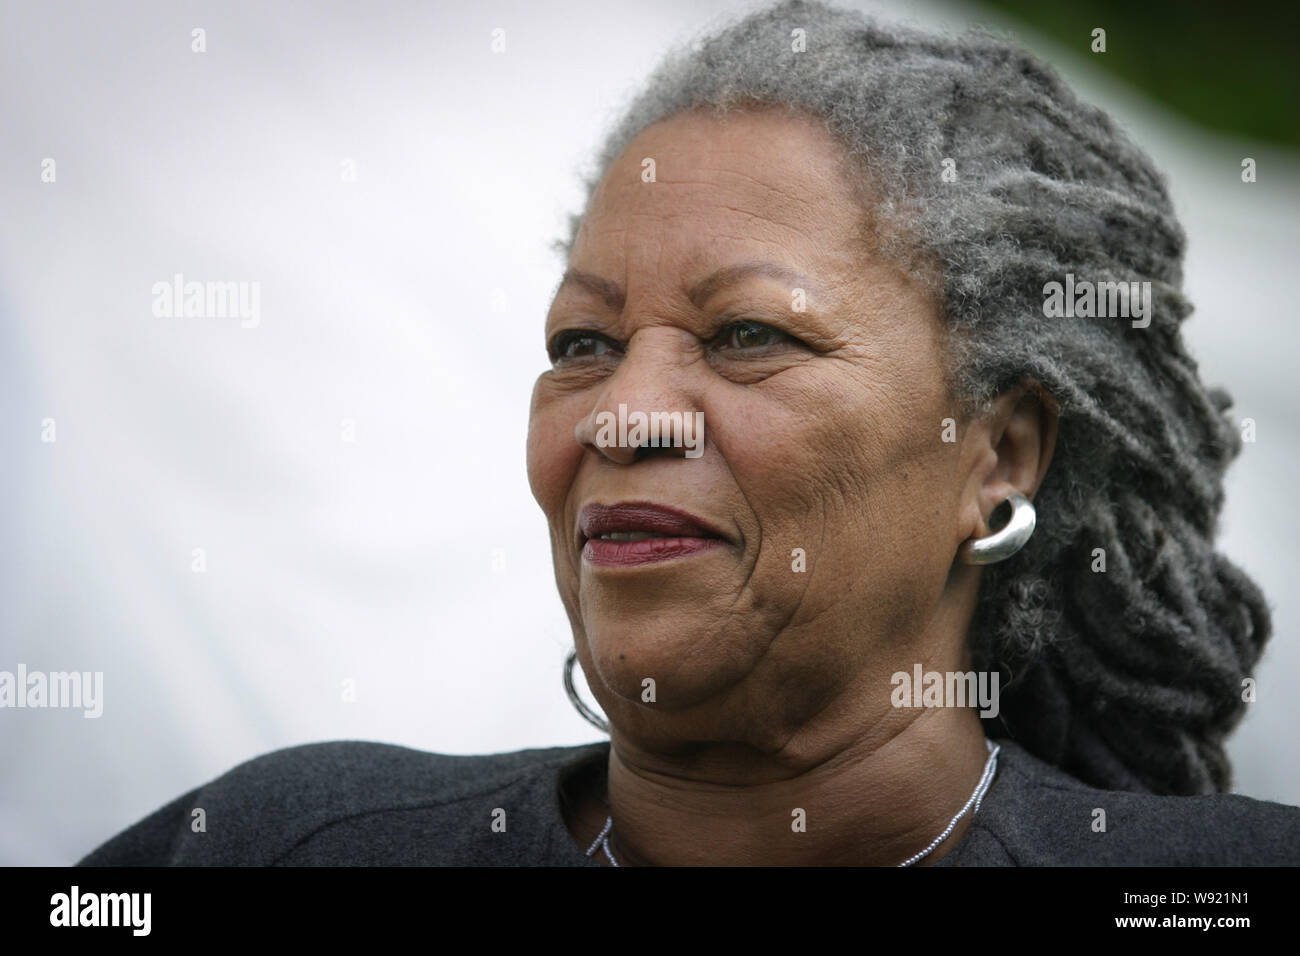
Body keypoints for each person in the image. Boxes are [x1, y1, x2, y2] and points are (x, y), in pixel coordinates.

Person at [79, 0, 1300, 867]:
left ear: (999, 457)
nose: (621, 414)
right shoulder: (289, 842)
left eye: (747, 334)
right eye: (583, 345)